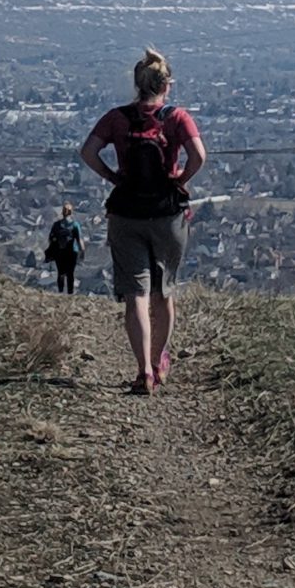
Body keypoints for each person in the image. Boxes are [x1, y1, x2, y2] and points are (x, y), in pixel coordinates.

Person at [80, 48, 206, 395]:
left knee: (136, 294)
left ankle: (143, 371)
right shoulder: (177, 118)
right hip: (167, 214)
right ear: (166, 85)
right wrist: (179, 179)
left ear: (137, 84)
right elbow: (199, 155)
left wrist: (113, 177)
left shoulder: (116, 118)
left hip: (126, 212)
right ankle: (158, 359)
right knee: (163, 293)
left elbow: (88, 152)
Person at [45, 202, 84, 295]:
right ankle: (70, 293)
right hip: (72, 252)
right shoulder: (75, 225)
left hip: (60, 252)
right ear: (71, 212)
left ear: (62, 212)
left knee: (61, 273)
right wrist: (82, 252)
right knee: (70, 273)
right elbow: (79, 240)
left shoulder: (56, 225)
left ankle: (60, 292)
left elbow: (50, 239)